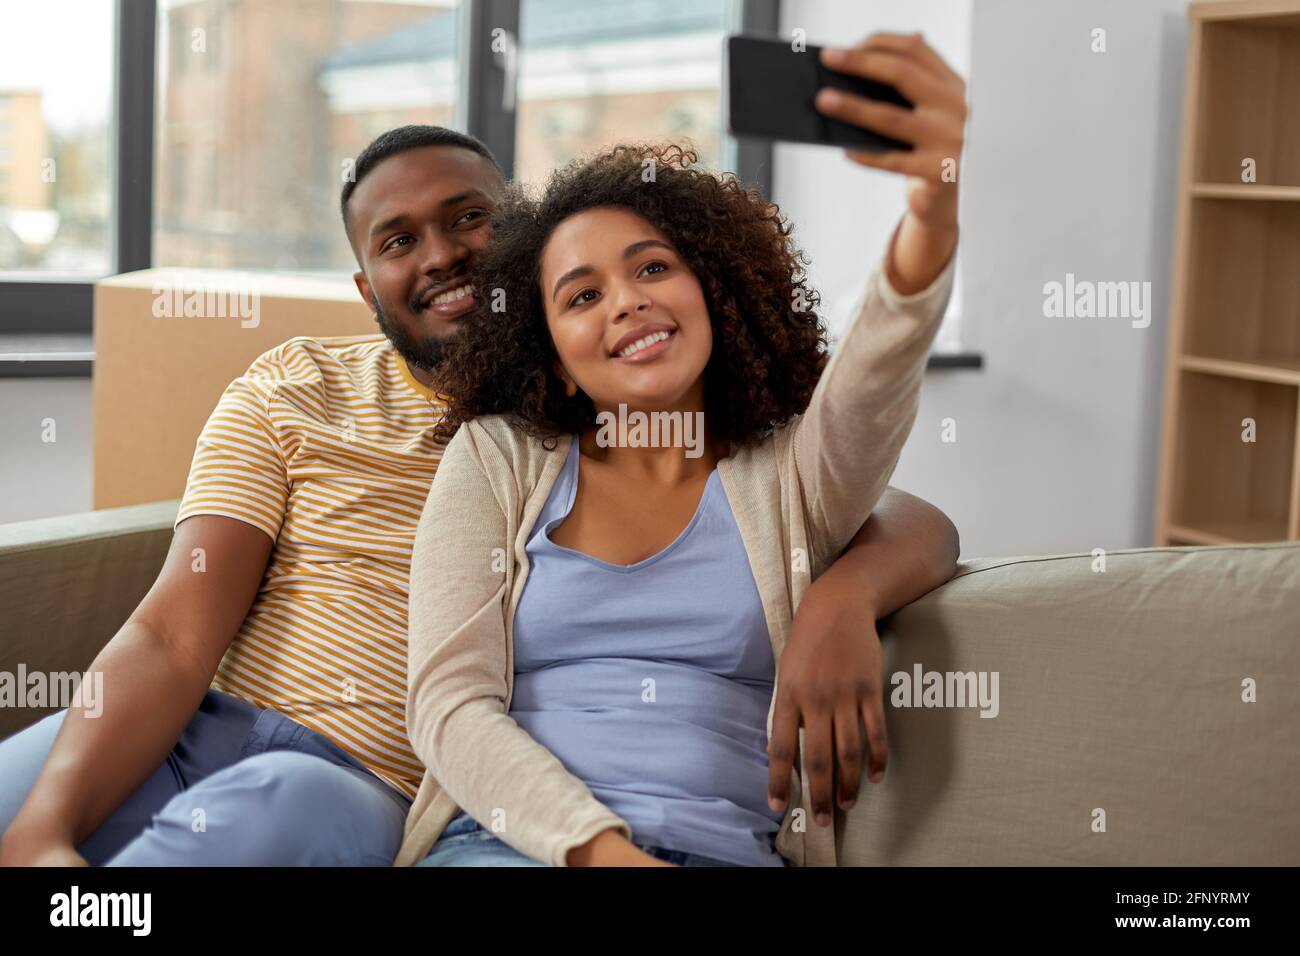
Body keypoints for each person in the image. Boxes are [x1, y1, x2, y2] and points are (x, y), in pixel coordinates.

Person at [0, 34, 961, 867]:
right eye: (397, 241)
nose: (440, 255)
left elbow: (865, 456)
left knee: (274, 807)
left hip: (360, 784)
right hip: (229, 733)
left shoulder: (625, 437)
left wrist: (844, 592)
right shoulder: (342, 399)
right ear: (366, 286)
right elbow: (174, 633)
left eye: (469, 218)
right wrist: (43, 828)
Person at [397, 35, 966, 867]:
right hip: (509, 848)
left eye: (653, 268)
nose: (626, 303)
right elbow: (447, 706)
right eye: (582, 295)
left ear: (715, 297)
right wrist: (602, 853)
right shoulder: (498, 458)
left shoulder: (792, 475)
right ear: (554, 360)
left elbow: (877, 375)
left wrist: (931, 210)